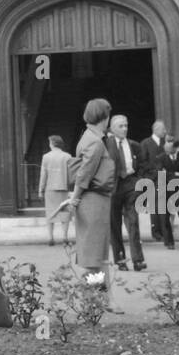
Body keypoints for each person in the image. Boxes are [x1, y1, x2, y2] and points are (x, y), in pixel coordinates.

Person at [68, 100, 116, 275]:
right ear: (104, 117)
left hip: (92, 201)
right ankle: (95, 299)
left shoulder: (88, 137)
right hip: (94, 202)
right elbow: (84, 174)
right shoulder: (95, 142)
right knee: (93, 257)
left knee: (95, 255)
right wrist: (75, 197)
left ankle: (99, 298)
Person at [107, 113, 147, 271]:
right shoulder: (106, 144)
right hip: (113, 186)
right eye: (121, 126)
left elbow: (144, 165)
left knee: (133, 222)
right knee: (114, 224)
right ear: (112, 128)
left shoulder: (134, 145)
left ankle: (138, 260)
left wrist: (138, 181)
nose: (125, 129)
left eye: (126, 125)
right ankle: (120, 259)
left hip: (130, 184)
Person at [39, 135, 73, 246]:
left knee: (50, 213)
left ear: (52, 144)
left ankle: (50, 237)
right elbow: (71, 174)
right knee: (64, 213)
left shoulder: (46, 157)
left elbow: (43, 174)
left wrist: (41, 189)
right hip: (63, 188)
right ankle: (64, 236)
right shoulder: (67, 156)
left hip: (50, 188)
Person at [159, 135, 179, 248]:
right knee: (165, 218)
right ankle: (169, 242)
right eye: (166, 148)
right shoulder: (161, 157)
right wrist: (176, 174)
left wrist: (170, 174)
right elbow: (161, 175)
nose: (167, 150)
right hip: (166, 191)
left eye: (169, 148)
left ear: (175, 148)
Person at [139, 120, 168, 240]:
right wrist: (154, 171)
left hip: (165, 178)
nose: (165, 131)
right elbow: (142, 161)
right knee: (154, 206)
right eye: (163, 129)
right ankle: (156, 232)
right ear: (156, 130)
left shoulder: (165, 143)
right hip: (151, 178)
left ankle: (164, 231)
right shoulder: (145, 143)